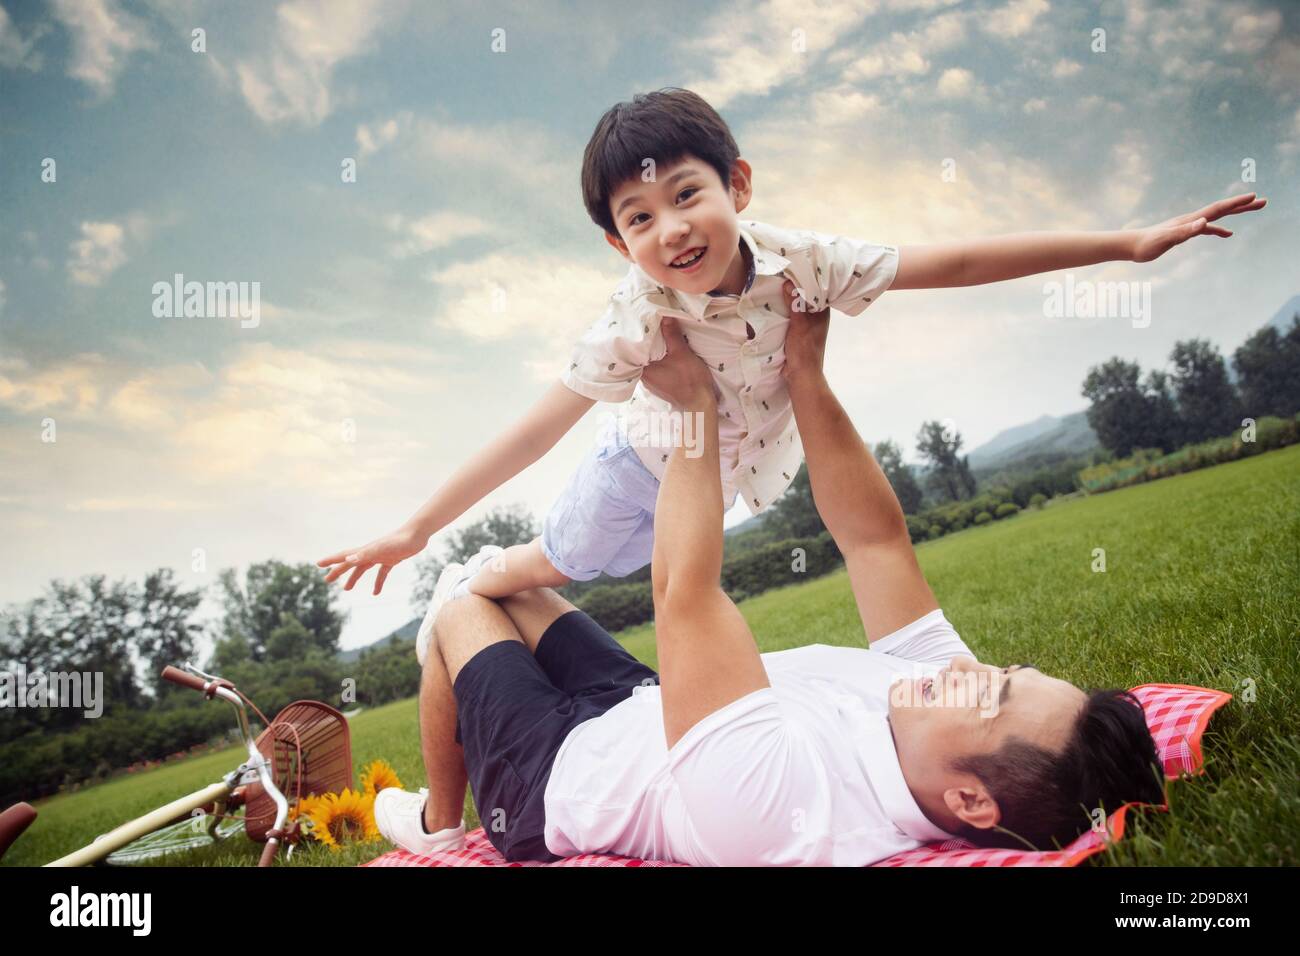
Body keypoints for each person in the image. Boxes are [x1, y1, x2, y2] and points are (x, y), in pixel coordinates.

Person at [316, 88, 1265, 670]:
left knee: (651, 577)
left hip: (721, 482)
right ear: (617, 242)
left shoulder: (803, 262)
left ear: (739, 184)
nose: (672, 230)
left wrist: (1127, 243)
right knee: (567, 562)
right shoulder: (636, 317)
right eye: (639, 218)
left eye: (686, 196)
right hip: (634, 468)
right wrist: (416, 526)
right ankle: (479, 576)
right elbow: (536, 427)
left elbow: (958, 261)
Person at [372, 284, 1169, 865]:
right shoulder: (933, 702)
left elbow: (684, 593)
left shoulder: (787, 816)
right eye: (1004, 669)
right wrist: (806, 375)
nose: (969, 668)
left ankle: (445, 823)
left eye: (989, 694)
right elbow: (876, 544)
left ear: (968, 801)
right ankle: (456, 711)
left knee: (457, 604)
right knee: (511, 588)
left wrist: (692, 411)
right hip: (639, 708)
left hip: (556, 782)